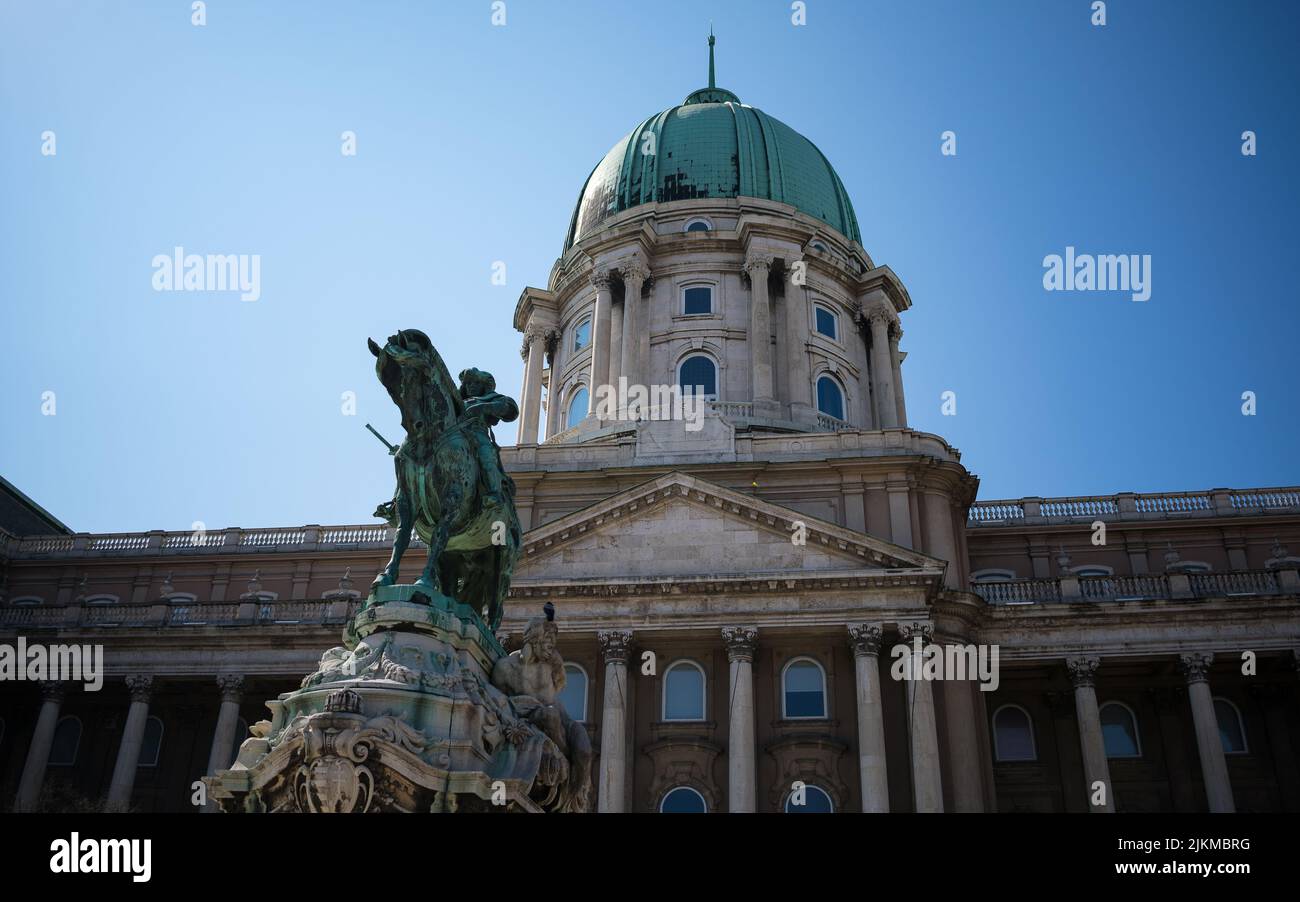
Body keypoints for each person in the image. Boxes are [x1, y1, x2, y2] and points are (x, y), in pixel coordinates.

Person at [457, 368, 517, 507]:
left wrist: (484, 407)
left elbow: (511, 410)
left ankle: (494, 492)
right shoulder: (455, 401)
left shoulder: (491, 398)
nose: (471, 386)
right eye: (468, 383)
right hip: (452, 435)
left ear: (484, 385)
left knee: (486, 455)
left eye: (476, 383)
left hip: (477, 434)